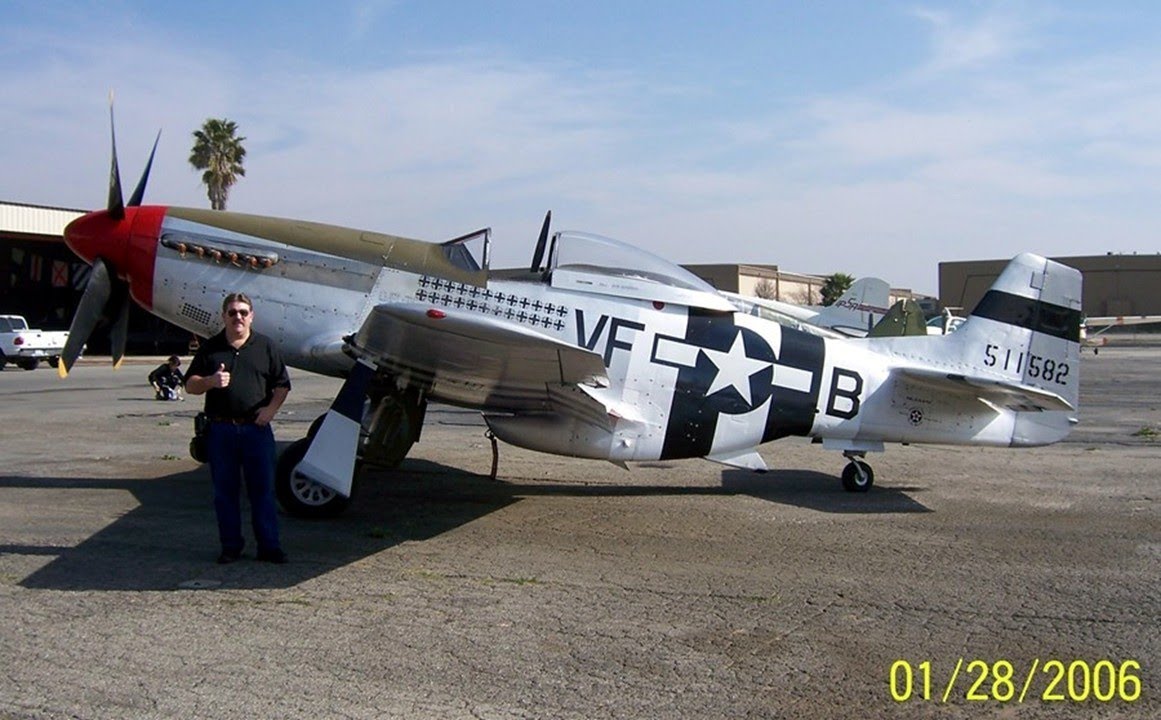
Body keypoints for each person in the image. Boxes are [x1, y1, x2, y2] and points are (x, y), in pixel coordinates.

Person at [185, 293, 291, 564]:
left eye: (243, 312)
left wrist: (270, 411)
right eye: (232, 313)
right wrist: (210, 381)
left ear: (252, 316)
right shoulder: (211, 348)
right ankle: (231, 547)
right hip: (221, 431)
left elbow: (282, 384)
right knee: (224, 493)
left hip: (256, 430)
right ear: (224, 316)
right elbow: (190, 385)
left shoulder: (265, 346)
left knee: (263, 492)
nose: (238, 317)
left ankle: (269, 547)